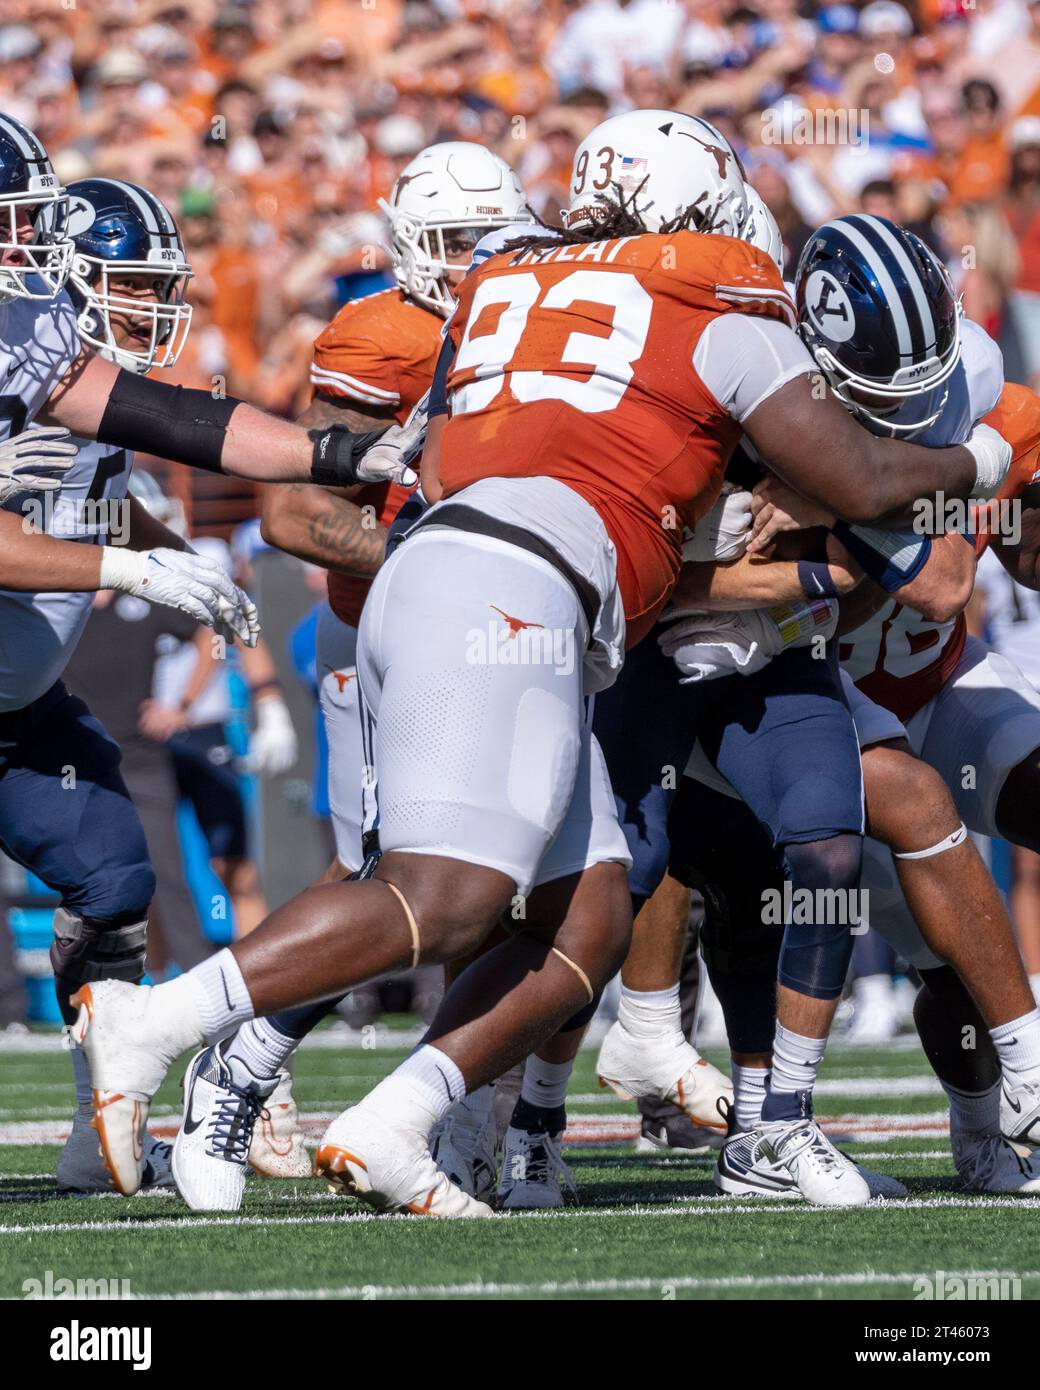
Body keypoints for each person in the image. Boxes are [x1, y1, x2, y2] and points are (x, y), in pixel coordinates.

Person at [72, 110, 1015, 1218]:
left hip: (461, 574)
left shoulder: (501, 283)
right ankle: (175, 1020)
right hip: (513, 585)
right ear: (699, 218)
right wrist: (981, 452)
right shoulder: (714, 292)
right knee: (448, 892)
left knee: (589, 909)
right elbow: (858, 477)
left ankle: (398, 1116)